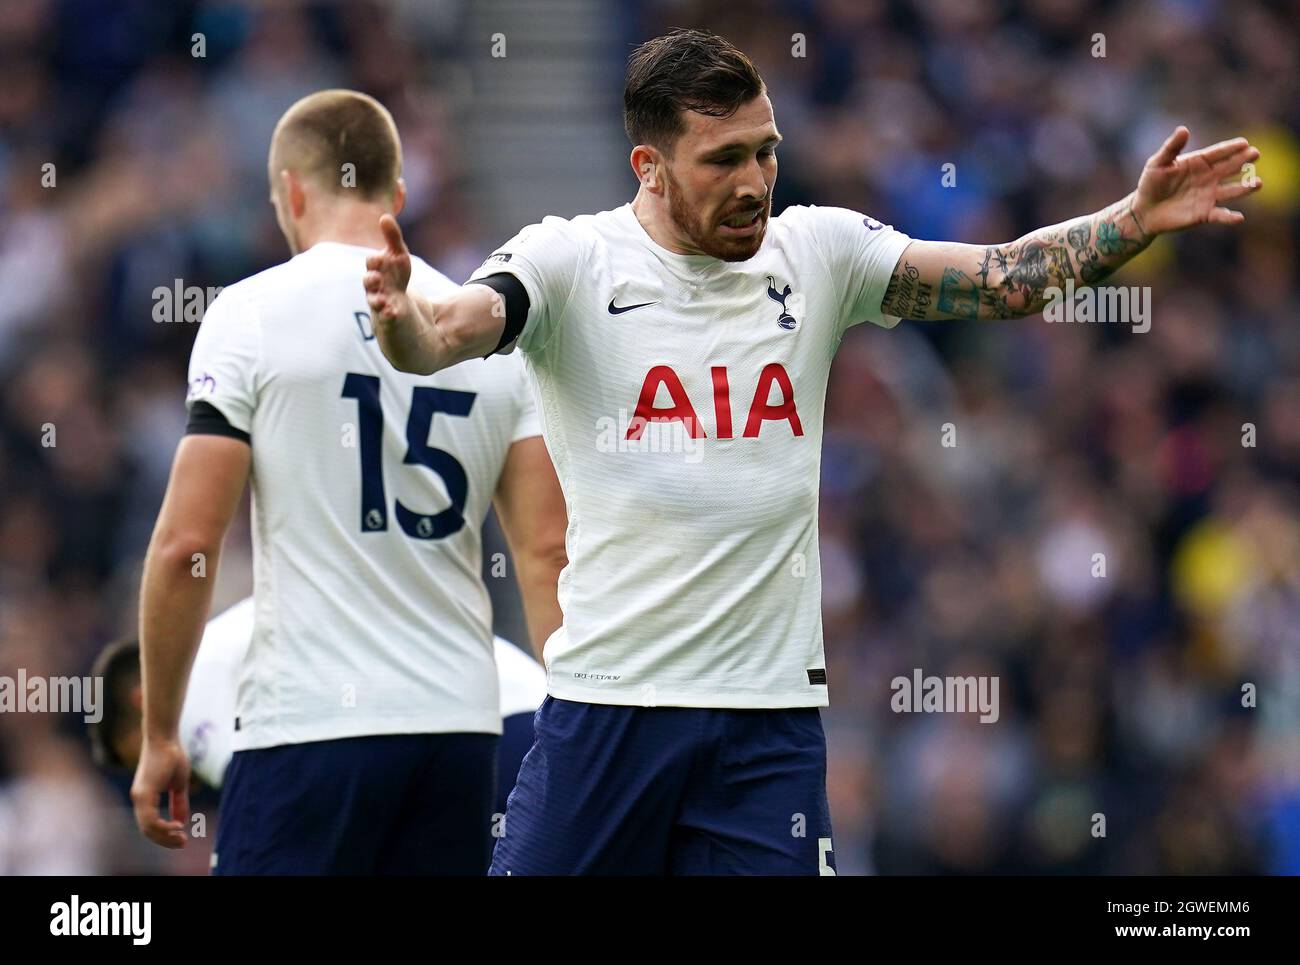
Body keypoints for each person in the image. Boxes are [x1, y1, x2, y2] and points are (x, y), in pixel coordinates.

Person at [361, 29, 1263, 875]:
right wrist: (406, 324)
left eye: (767, 149)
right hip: (610, 707)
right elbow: (451, 330)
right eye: (723, 159)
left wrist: (1131, 222)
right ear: (650, 166)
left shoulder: (819, 251)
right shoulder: (571, 260)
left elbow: (1003, 282)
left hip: (768, 727)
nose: (755, 180)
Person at [131, 89, 566, 875]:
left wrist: (161, 731)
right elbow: (546, 550)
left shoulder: (250, 314)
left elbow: (185, 545)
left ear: (291, 193)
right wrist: (577, 734)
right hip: (459, 734)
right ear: (396, 193)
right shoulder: (486, 332)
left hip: (308, 726)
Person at [93, 598, 546, 825]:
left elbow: (258, 811)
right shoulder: (237, 637)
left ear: (141, 701)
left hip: (489, 727)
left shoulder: (191, 688)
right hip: (510, 709)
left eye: (145, 762)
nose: (177, 788)